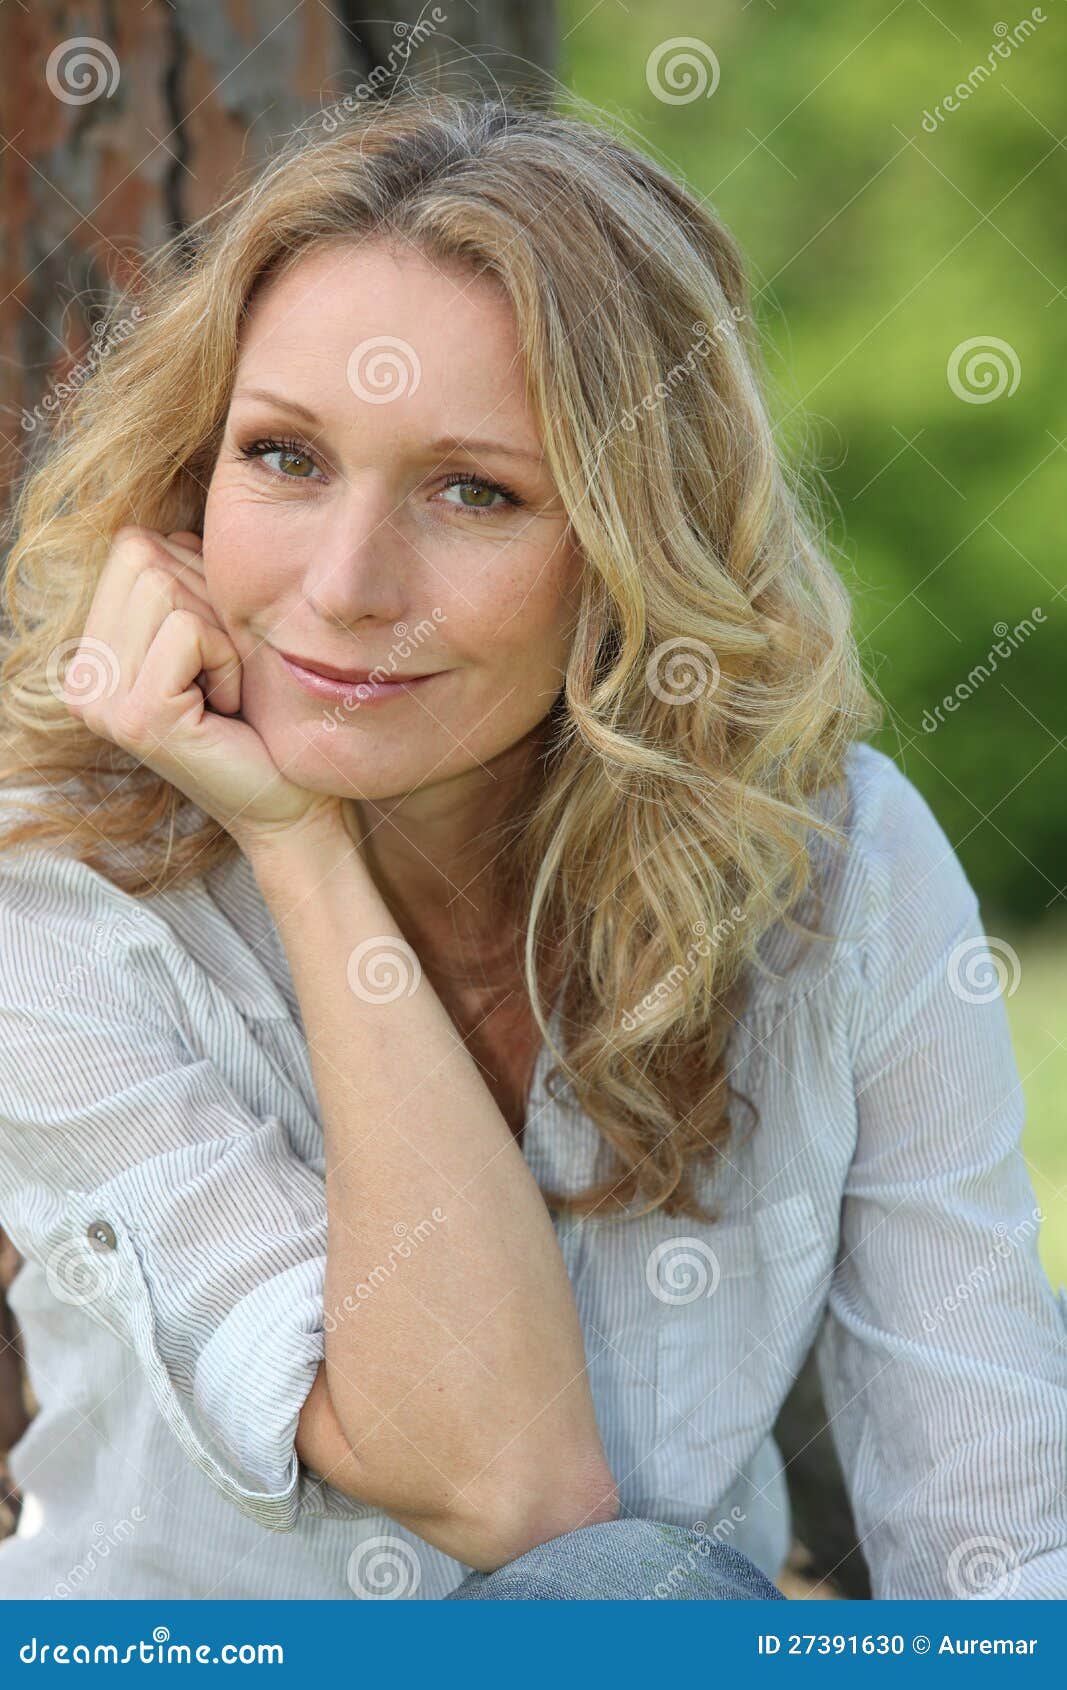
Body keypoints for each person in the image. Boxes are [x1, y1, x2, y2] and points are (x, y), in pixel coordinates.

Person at [0, 91, 1063, 1603]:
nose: (348, 586)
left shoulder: (832, 865)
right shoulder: (49, 882)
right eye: (287, 460)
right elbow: (506, 1482)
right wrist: (299, 852)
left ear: (634, 551)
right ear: (186, 484)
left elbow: (1003, 1545)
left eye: (474, 491)